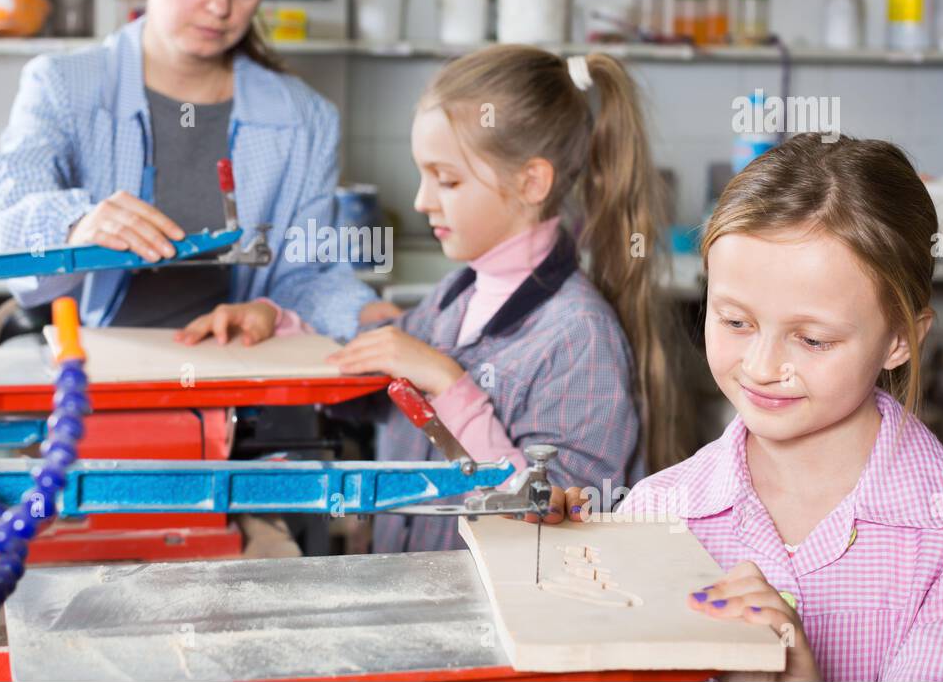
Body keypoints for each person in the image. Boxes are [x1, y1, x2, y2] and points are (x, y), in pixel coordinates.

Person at [239, 45, 691, 552]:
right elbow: (362, 378)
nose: (420, 200)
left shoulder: (579, 336)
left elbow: (560, 521)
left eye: (447, 179)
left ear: (531, 182)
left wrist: (448, 384)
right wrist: (275, 324)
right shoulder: (452, 299)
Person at [611, 134, 943, 681]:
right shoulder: (654, 514)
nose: (763, 367)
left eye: (812, 339)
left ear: (900, 339)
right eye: (736, 322)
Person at [0, 0, 390, 338]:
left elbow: (306, 277)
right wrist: (76, 227)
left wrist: (361, 317)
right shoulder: (65, 86)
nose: (221, 6)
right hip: (98, 382)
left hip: (240, 382)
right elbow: (2, 229)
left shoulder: (306, 120)